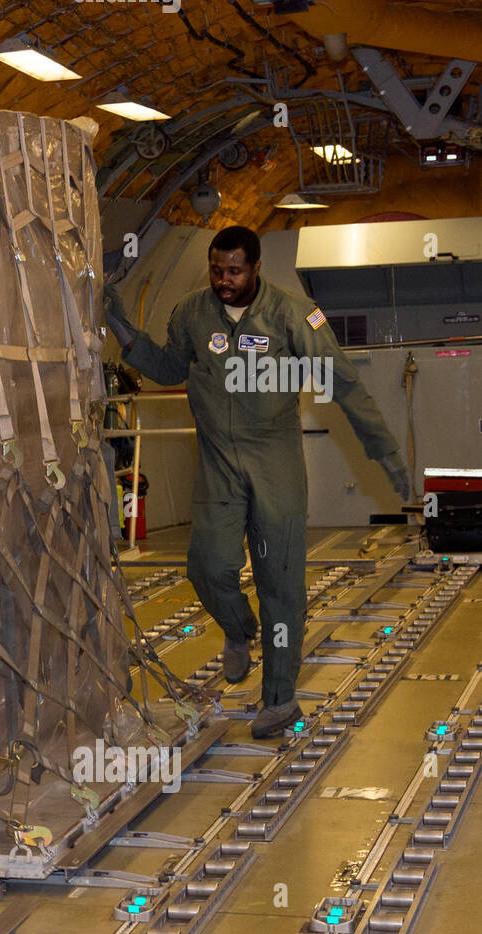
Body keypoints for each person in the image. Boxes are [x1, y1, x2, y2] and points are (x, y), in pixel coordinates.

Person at [104, 226, 411, 739]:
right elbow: (166, 365)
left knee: (281, 583)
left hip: (276, 461)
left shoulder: (296, 315)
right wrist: (120, 326)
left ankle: (279, 699)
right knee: (208, 565)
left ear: (256, 268)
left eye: (235, 272)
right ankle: (239, 631)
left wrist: (385, 451)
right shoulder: (192, 313)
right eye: (216, 270)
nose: (224, 281)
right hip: (219, 460)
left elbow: (342, 382)